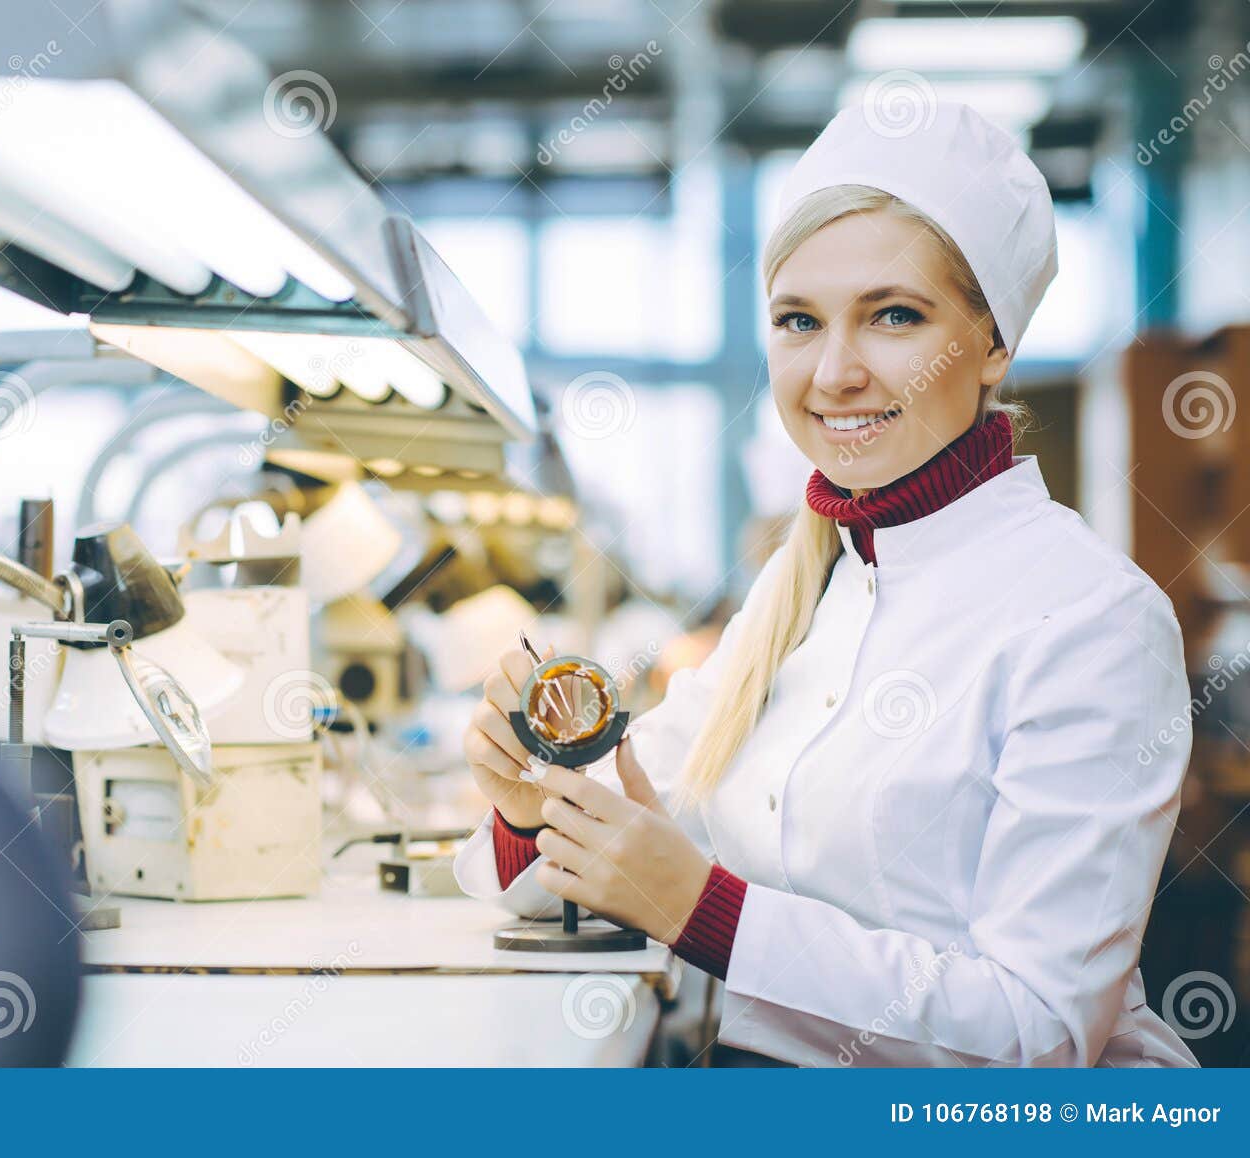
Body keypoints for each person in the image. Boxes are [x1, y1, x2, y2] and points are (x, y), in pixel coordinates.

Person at [455, 101, 1199, 1067]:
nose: (835, 371)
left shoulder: (1095, 618)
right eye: (798, 321)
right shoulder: (804, 580)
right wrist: (533, 805)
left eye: (895, 315)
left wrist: (706, 911)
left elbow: (1042, 1034)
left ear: (993, 344)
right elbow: (653, 827)